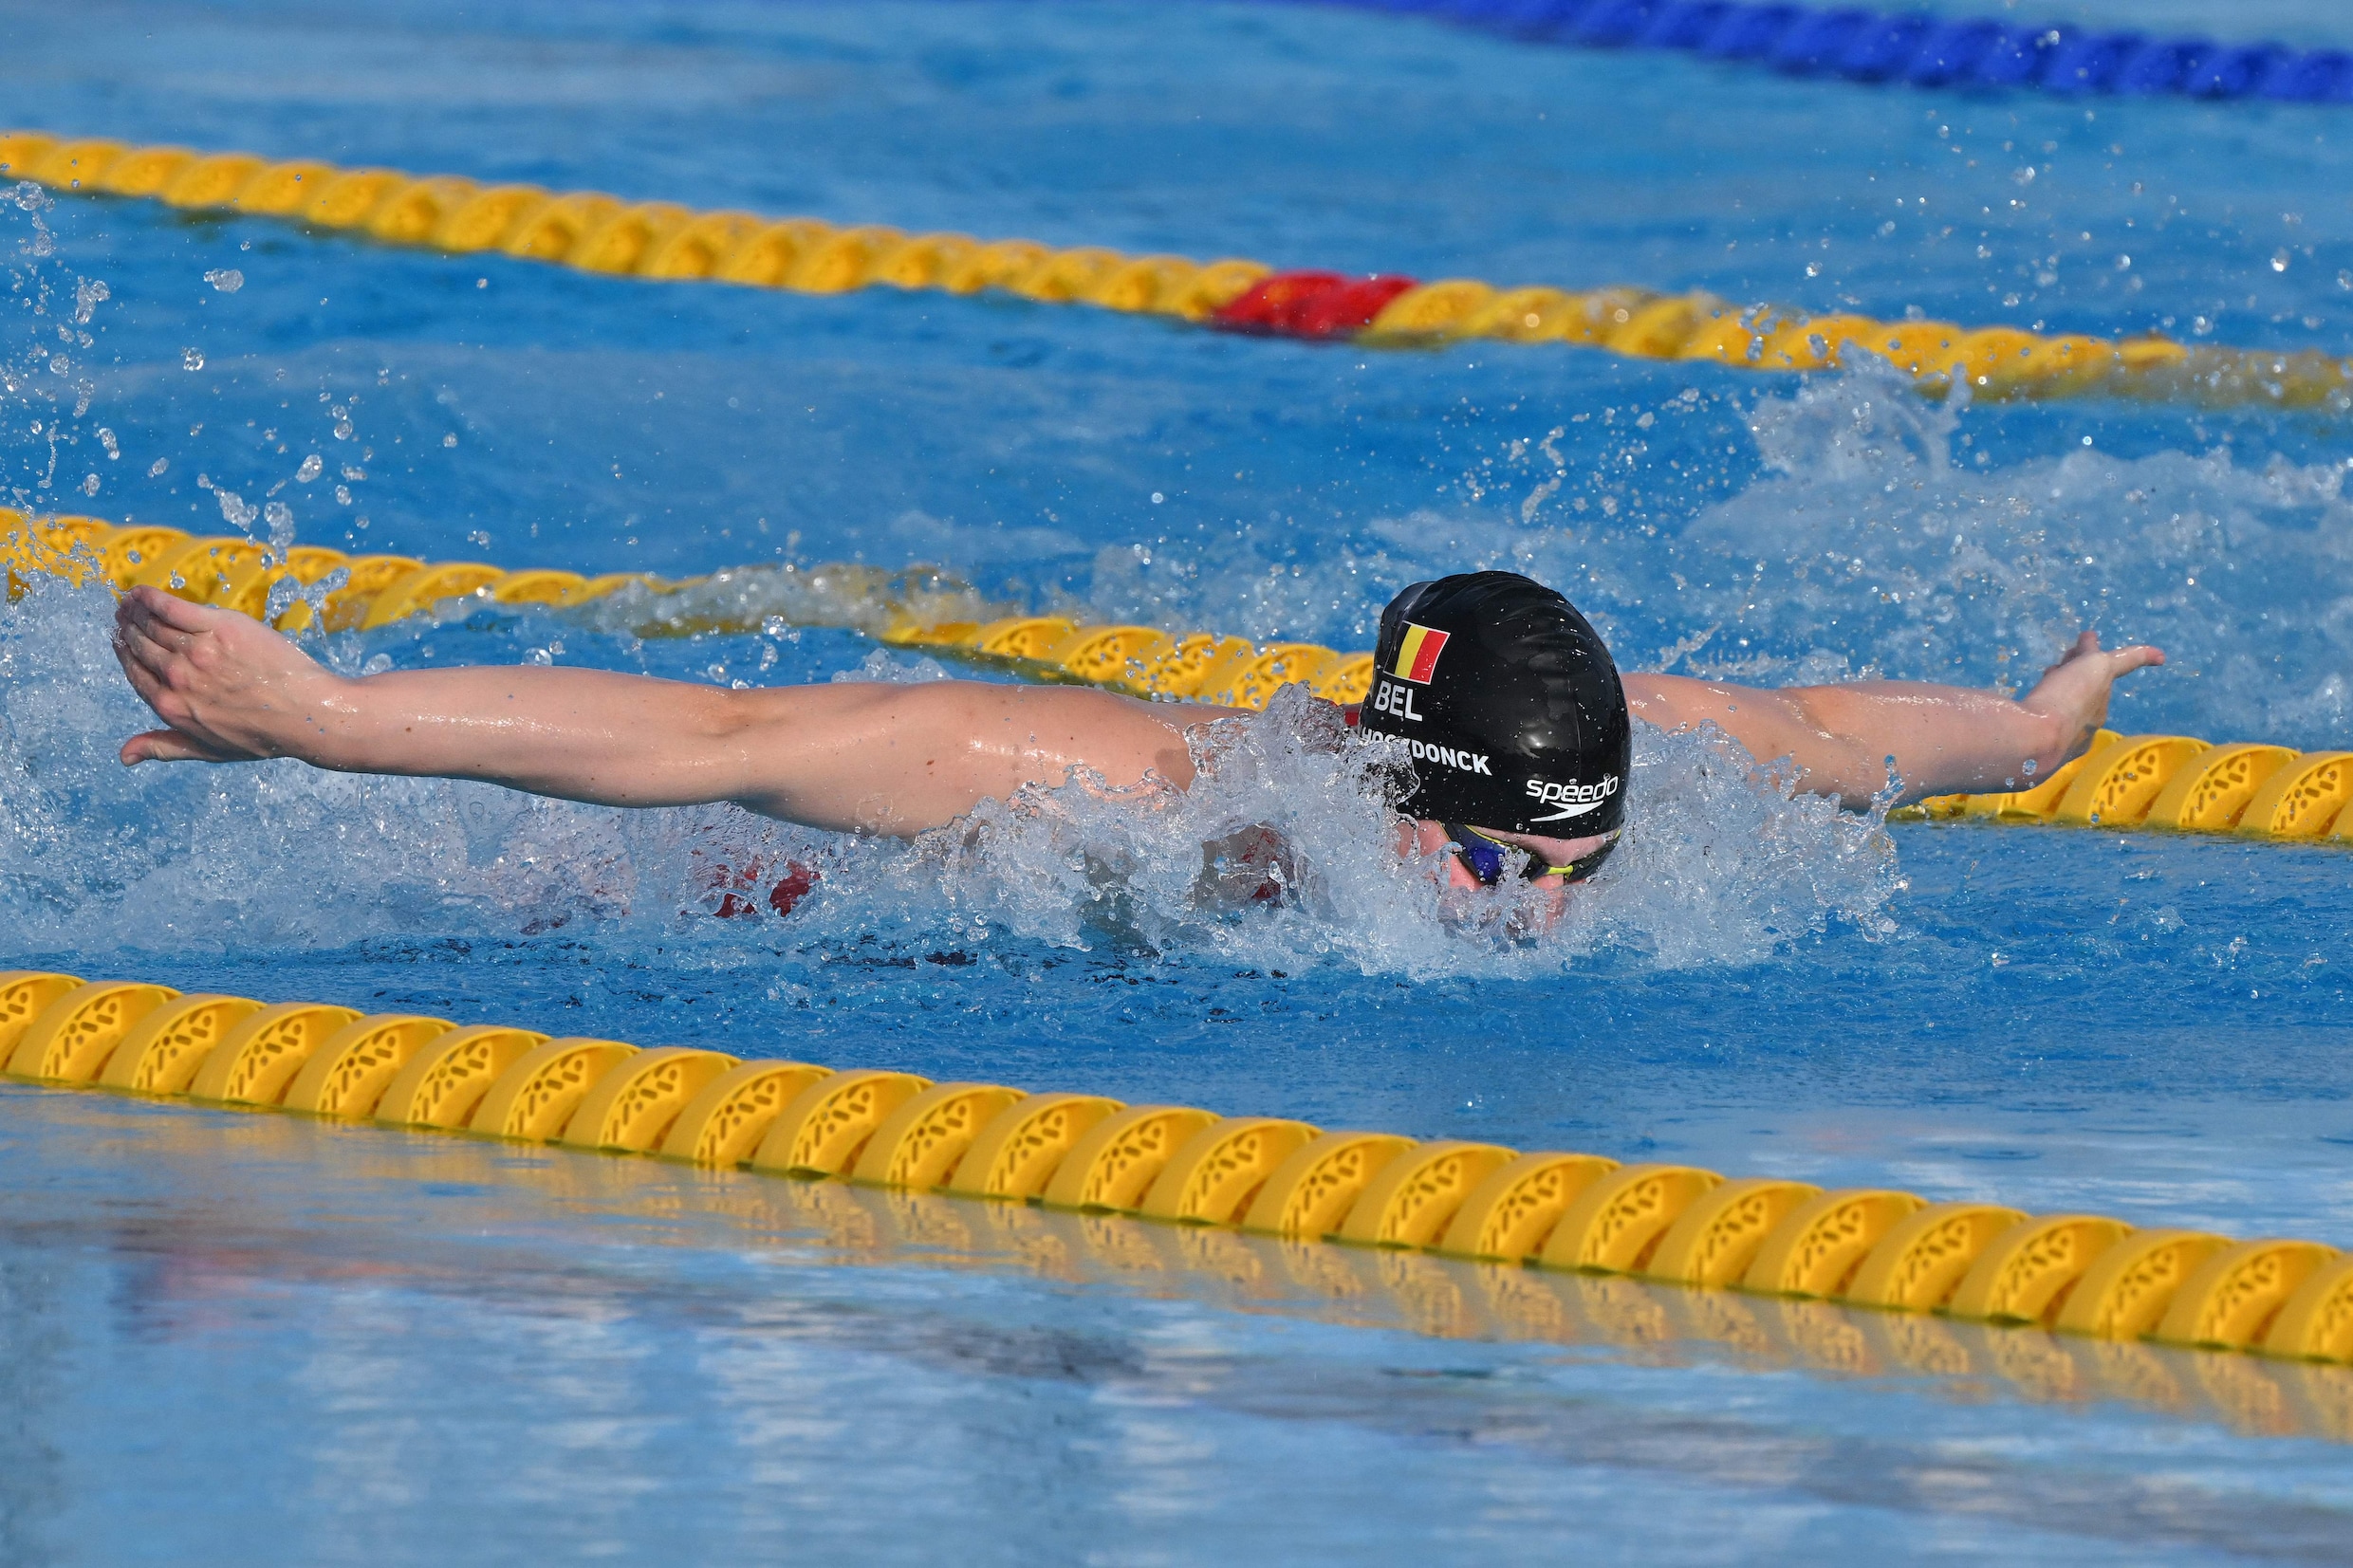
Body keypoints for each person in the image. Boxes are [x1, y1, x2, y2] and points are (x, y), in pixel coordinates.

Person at [107, 569, 2162, 895]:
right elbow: (724, 727)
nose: (1537, 908)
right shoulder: (1143, 788)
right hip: (845, 904)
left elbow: (1838, 724)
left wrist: (2043, 724)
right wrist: (337, 721)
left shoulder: (1641, 751)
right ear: (1387, 787)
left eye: (1575, 862)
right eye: (1486, 866)